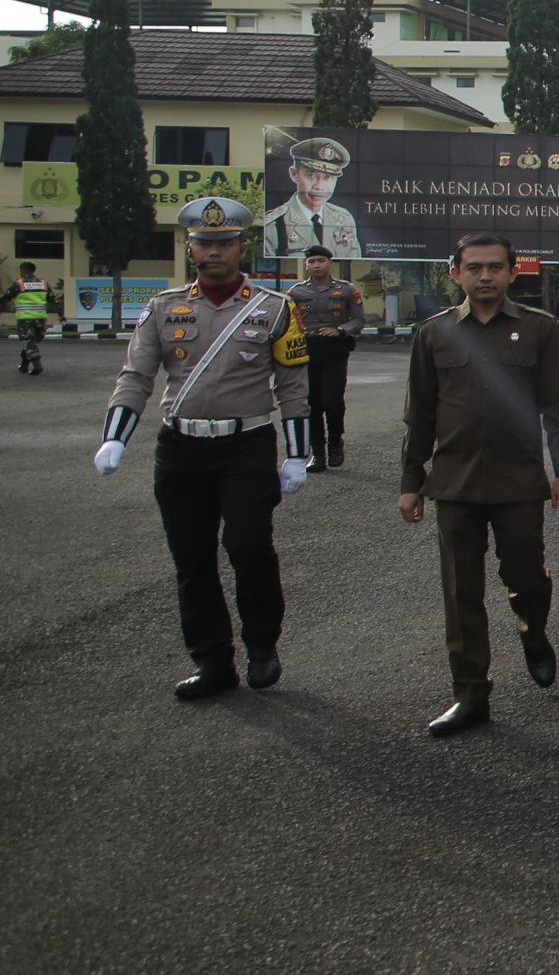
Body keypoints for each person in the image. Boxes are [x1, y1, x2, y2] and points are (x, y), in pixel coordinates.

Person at [93, 196, 312, 699]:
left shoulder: (275, 309)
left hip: (246, 446)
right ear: (190, 246)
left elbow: (293, 386)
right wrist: (114, 437)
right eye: (204, 242)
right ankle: (213, 661)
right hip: (182, 448)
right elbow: (136, 377)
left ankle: (261, 645)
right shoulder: (165, 307)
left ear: (241, 247)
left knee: (249, 547)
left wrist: (296, 453)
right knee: (192, 559)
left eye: (224, 243)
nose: (214, 251)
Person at [398, 233, 559, 737]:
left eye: (495, 268)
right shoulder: (434, 334)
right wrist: (411, 481)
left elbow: (558, 410)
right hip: (454, 485)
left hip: (519, 482)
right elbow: (420, 415)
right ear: (454, 272)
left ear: (511, 272)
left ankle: (532, 630)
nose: (484, 277)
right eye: (473, 268)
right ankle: (470, 693)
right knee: (461, 594)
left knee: (528, 580)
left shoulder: (540, 330)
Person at [287, 246, 367, 469]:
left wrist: (340, 330)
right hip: (306, 351)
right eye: (312, 261)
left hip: (334, 350)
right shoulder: (295, 292)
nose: (316, 265)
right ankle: (317, 453)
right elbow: (288, 321)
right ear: (306, 265)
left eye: (321, 260)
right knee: (311, 404)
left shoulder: (347, 290)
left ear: (330, 263)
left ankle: (335, 443)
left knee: (332, 400)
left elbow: (359, 320)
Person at [260, 136, 362, 259]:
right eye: (311, 175)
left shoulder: (344, 220)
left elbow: (353, 259)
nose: (319, 186)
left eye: (328, 177)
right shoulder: (274, 225)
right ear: (294, 174)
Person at [16, 260, 50, 375]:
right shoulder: (43, 283)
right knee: (32, 341)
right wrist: (61, 315)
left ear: (22, 270)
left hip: (25, 319)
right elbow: (53, 300)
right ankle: (24, 366)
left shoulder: (19, 283)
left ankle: (37, 366)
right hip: (40, 319)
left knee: (29, 342)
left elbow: (6, 296)